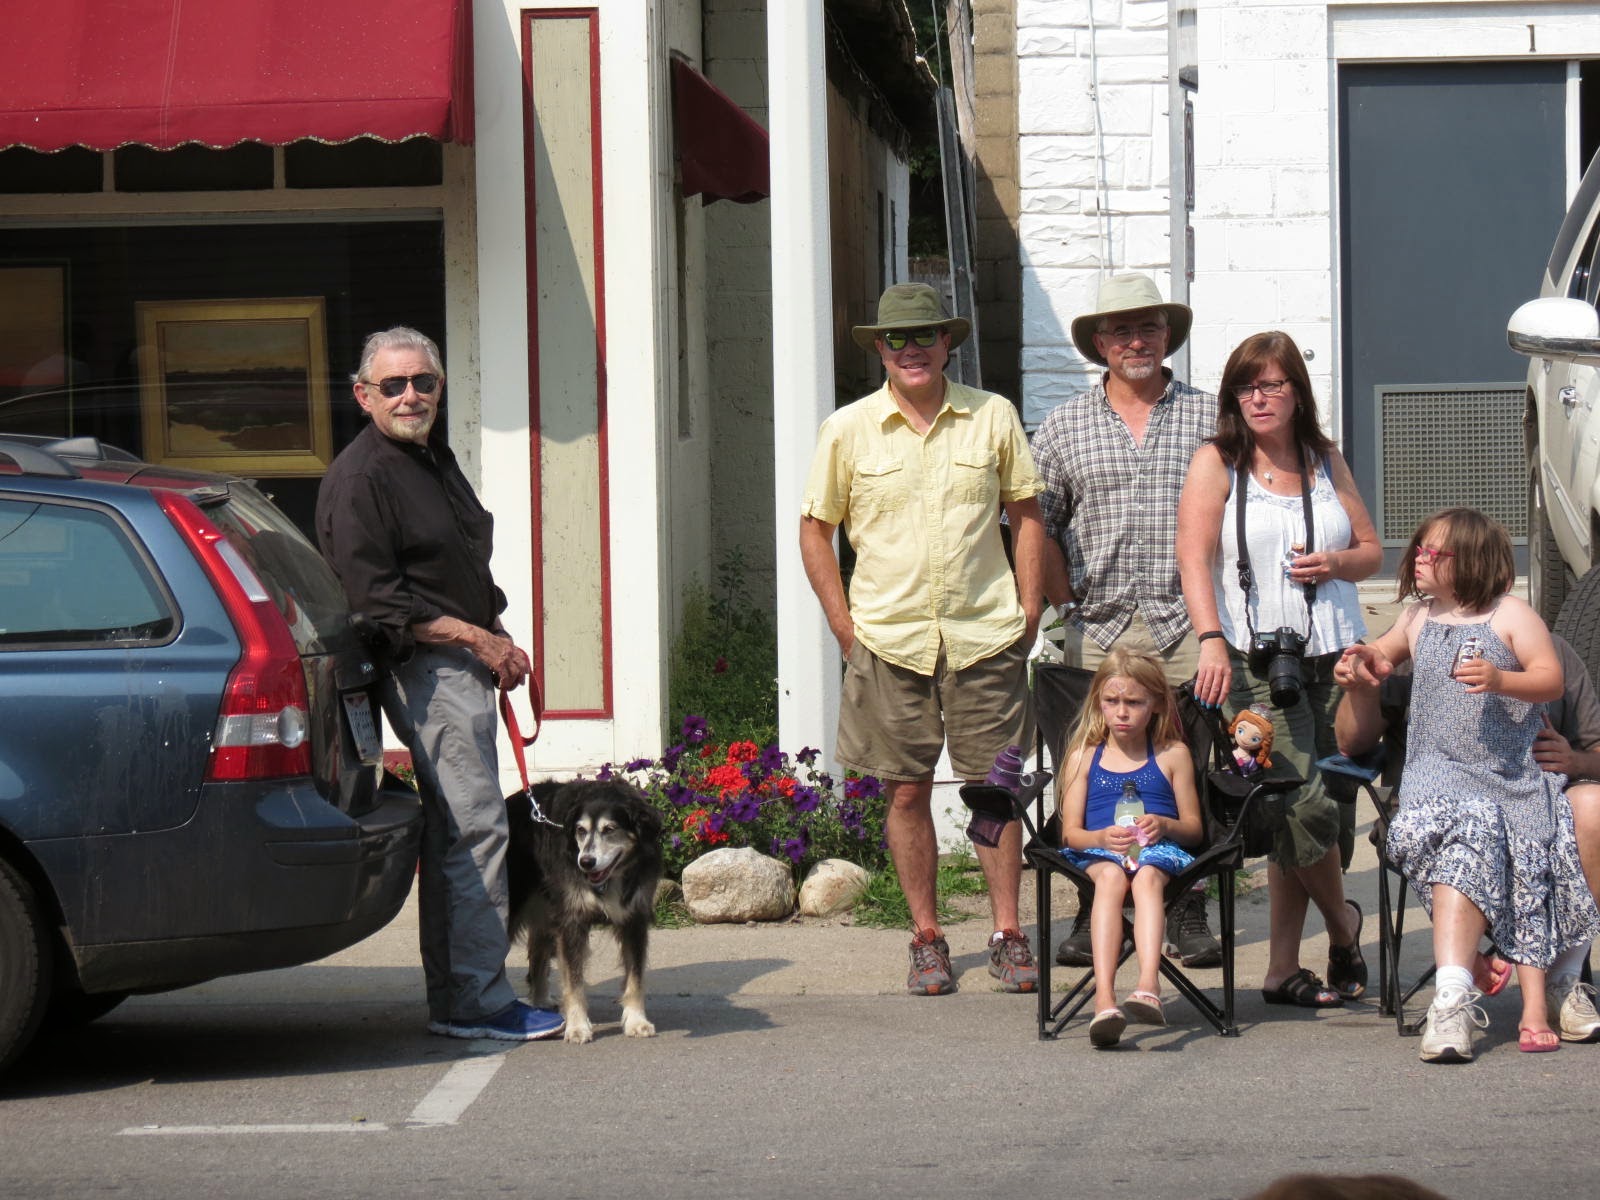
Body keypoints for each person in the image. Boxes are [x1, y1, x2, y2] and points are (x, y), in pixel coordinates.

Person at [316, 326, 563, 1042]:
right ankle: (474, 1002)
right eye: (392, 385)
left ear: (440, 387)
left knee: (462, 829)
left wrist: (497, 631)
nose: (410, 396)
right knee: (474, 828)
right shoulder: (361, 478)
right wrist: (477, 638)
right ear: (363, 396)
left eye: (423, 382)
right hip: (423, 667)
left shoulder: (428, 456)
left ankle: (460, 995)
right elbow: (379, 602)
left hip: (460, 661)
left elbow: (457, 562)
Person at [800, 282, 1045, 997]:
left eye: (924, 336)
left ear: (947, 343)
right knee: (906, 793)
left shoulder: (992, 416)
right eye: (896, 339)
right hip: (888, 640)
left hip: (984, 636)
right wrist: (844, 627)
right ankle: (927, 937)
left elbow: (1026, 514)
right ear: (880, 349)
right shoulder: (846, 429)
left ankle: (1007, 933)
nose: (911, 349)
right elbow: (816, 530)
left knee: (994, 793)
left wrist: (1029, 610)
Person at [1333, 508, 1600, 1061]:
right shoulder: (1417, 617)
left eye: (1434, 553)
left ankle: (1525, 985)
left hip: (1508, 780)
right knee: (1467, 823)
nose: (1419, 559)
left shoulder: (1512, 614)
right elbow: (1382, 654)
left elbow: (1548, 677)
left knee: (1500, 824)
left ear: (1473, 562)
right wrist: (1361, 664)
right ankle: (1459, 989)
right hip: (1434, 781)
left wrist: (1502, 679)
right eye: (1419, 548)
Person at [1176, 330, 1380, 1009]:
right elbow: (1193, 558)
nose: (1258, 398)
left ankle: (1282, 969)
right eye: (1246, 386)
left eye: (1272, 385)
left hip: (1337, 656)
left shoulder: (1325, 459)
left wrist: (1335, 563)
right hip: (1256, 661)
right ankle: (1344, 928)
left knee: (1327, 811)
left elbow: (1372, 551)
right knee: (1297, 801)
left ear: (1297, 391)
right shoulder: (1218, 462)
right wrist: (1210, 638)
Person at [1031, 272, 1222, 968]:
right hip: (1099, 625)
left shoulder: (1211, 418)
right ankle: (1094, 904)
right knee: (1090, 765)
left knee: (1188, 764)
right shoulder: (1063, 426)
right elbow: (1037, 523)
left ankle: (1188, 904)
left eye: (1147, 327)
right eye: (1120, 330)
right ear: (1100, 343)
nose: (1135, 341)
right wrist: (1062, 602)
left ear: (1167, 335)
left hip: (1185, 621)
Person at [1056, 649, 1203, 1046]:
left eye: (1134, 702)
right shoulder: (1084, 756)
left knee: (1148, 877)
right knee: (1110, 877)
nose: (1121, 712)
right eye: (1112, 701)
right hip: (1099, 850)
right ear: (1098, 702)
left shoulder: (1173, 754)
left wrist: (1165, 824)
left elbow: (1193, 829)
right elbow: (1070, 833)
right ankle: (1104, 999)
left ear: (1156, 705)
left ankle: (1147, 985)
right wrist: (1100, 838)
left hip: (1158, 850)